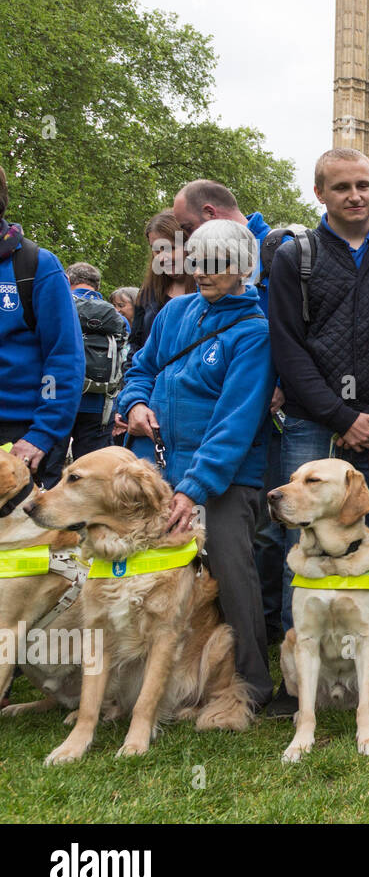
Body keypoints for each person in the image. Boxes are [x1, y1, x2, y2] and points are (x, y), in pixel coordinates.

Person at [264, 147, 369, 715]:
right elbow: (287, 345)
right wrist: (340, 416)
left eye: (364, 185)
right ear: (320, 195)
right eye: (342, 188)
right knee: (301, 541)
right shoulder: (295, 257)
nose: (355, 196)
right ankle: (297, 677)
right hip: (315, 419)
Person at [118, 219, 276, 707]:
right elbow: (141, 368)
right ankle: (151, 681)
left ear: (244, 269)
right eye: (197, 262)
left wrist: (193, 489)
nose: (203, 273)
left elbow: (235, 423)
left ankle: (251, 685)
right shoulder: (173, 313)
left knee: (230, 577)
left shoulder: (255, 332)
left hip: (224, 482)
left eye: (216, 265)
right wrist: (135, 404)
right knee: (147, 576)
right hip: (157, 469)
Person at [0, 164, 84, 487]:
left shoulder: (37, 265)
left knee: (18, 539)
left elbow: (65, 358)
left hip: (18, 436)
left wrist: (41, 435)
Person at [65, 262, 130, 459]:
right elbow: (125, 362)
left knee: (50, 469)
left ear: (68, 281)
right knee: (91, 469)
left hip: (60, 400)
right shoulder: (117, 318)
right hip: (102, 406)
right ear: (97, 286)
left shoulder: (60, 309)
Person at [129, 211, 195, 362]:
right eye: (156, 250)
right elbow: (135, 346)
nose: (161, 258)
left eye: (170, 248)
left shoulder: (210, 291)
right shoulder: (147, 294)